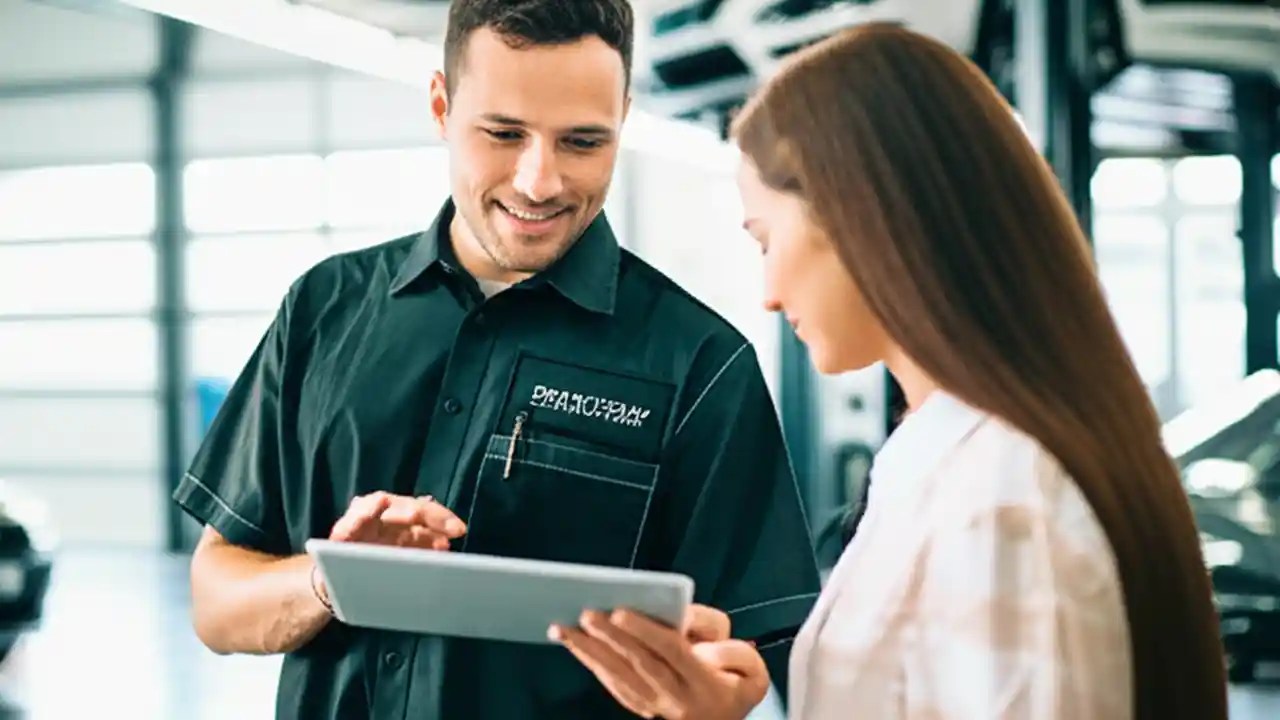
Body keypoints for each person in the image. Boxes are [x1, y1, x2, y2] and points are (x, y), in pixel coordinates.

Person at [551, 23, 1229, 720]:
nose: (770, 292)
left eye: (766, 239)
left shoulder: (1002, 499)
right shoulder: (947, 461)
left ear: (856, 219)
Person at [173, 1, 821, 718]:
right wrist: (336, 580)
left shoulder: (700, 364)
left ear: (624, 118)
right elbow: (217, 602)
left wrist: (710, 701)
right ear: (441, 105)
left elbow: (759, 662)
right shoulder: (324, 310)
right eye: (503, 134)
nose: (539, 181)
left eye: (582, 142)